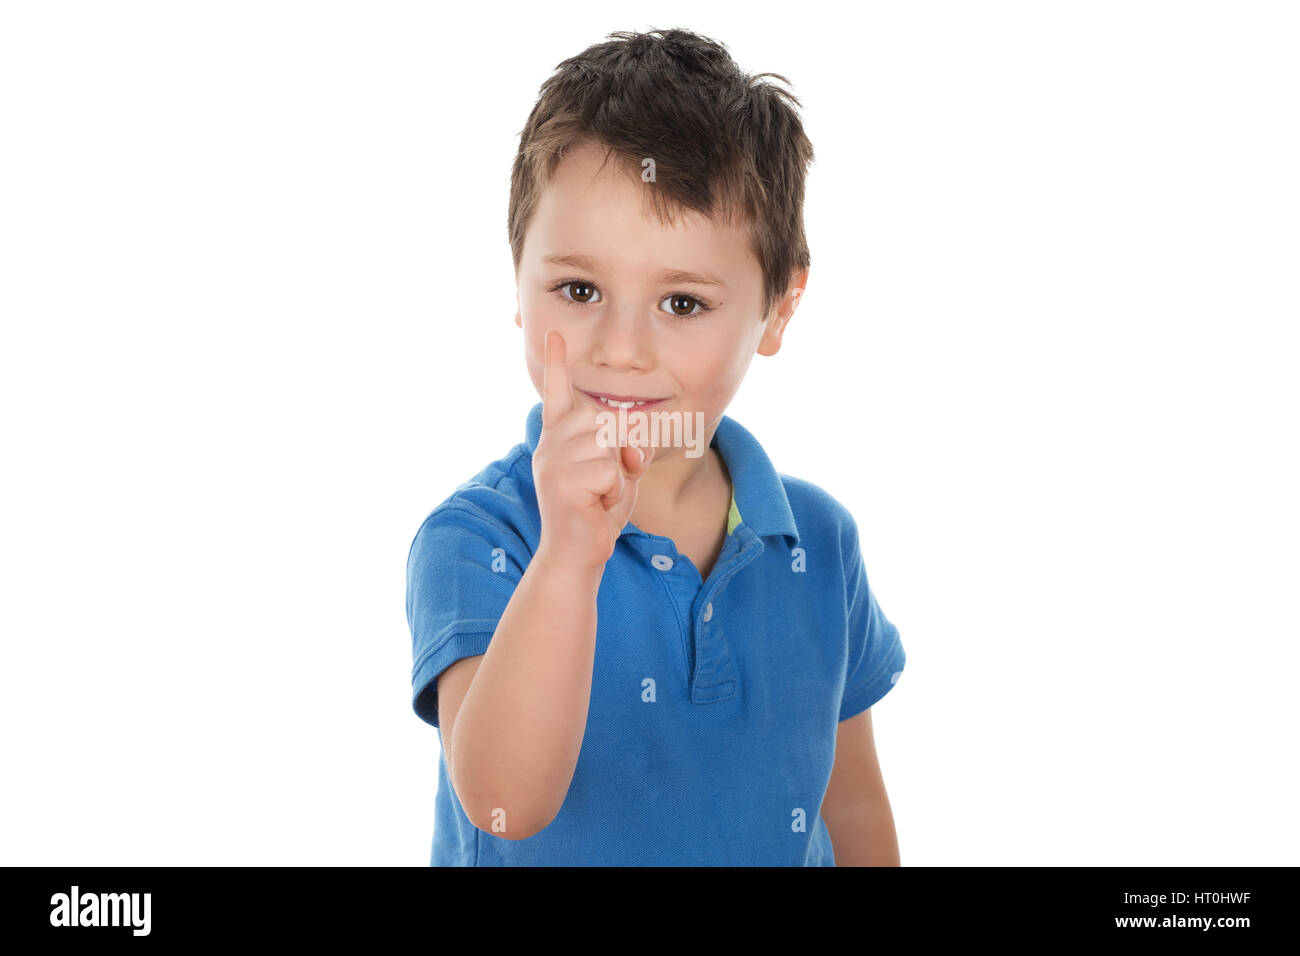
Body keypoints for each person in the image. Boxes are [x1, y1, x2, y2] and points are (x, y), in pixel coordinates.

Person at [406, 27, 905, 866]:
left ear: (779, 309)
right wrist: (569, 560)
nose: (621, 348)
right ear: (519, 287)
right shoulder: (482, 539)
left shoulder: (819, 543)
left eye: (680, 303)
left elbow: (850, 805)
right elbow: (502, 805)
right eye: (579, 288)